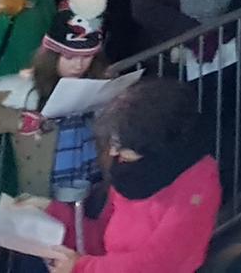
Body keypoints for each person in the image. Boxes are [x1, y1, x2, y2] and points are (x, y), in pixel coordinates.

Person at [0, 0, 111, 207]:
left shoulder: (103, 84)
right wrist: (17, 120)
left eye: (86, 57)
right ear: (52, 54)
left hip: (95, 190)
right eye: (68, 56)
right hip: (44, 200)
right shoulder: (22, 88)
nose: (78, 64)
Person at [42, 76, 222, 273]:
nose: (113, 153)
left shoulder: (197, 184)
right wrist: (54, 215)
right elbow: (103, 237)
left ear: (154, 145)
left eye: (121, 146)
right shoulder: (129, 169)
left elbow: (162, 263)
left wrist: (82, 267)